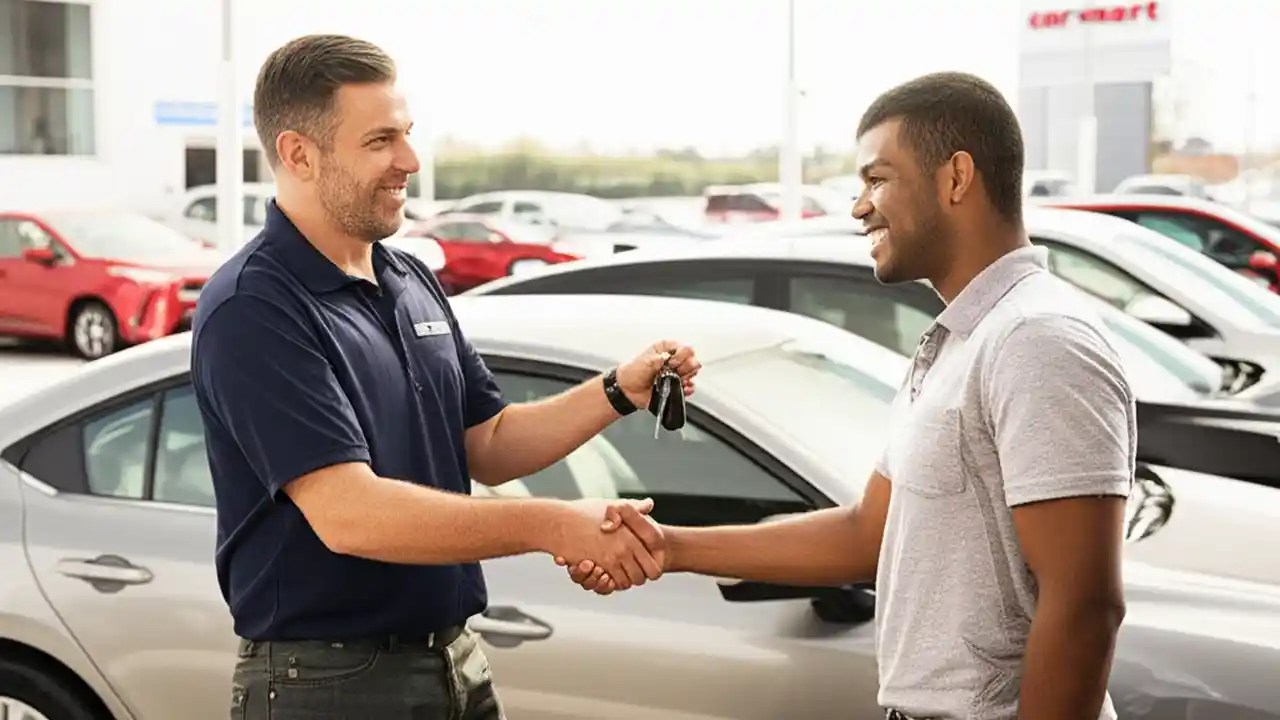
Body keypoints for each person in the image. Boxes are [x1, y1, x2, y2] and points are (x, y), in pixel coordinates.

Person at [562, 71, 1135, 720]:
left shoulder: (1036, 339)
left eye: (877, 178)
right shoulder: (961, 340)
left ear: (956, 177)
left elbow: (1086, 605)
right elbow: (868, 533)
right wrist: (670, 547)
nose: (859, 205)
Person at [191, 34, 691, 719]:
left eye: (408, 134)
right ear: (298, 154)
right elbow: (349, 514)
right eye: (380, 141)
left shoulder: (407, 278)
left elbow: (488, 440)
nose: (410, 161)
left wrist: (618, 391)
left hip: (454, 661)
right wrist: (552, 525)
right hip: (328, 686)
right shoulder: (255, 305)